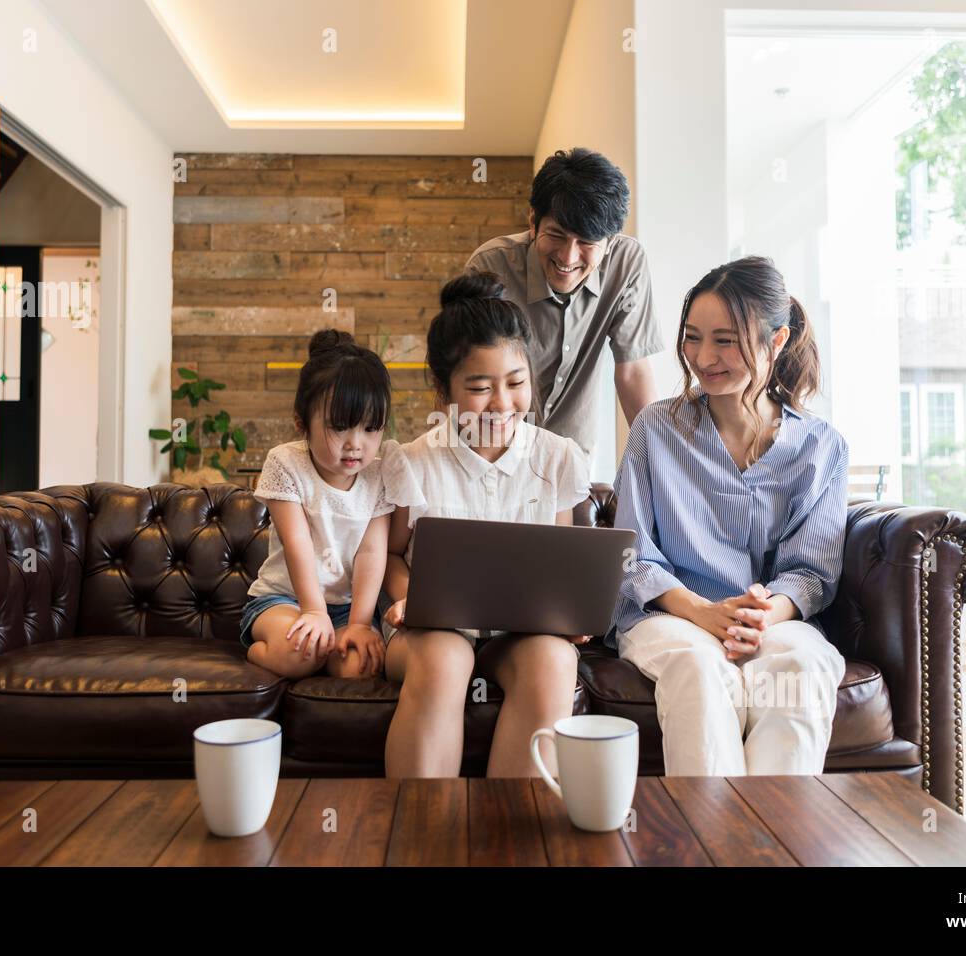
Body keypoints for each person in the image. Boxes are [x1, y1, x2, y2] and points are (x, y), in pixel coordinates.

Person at [609, 256, 849, 777]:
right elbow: (632, 557)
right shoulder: (655, 430)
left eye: (725, 340)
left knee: (804, 666)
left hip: (769, 619)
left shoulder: (820, 446)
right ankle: (709, 844)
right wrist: (701, 612)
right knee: (697, 664)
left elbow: (812, 573)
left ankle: (773, 843)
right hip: (670, 615)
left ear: (777, 341)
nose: (703, 356)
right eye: (693, 338)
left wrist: (760, 616)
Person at [379, 272, 591, 778]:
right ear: (441, 388)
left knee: (553, 662)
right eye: (479, 388)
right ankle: (423, 830)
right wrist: (410, 597)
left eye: (516, 384)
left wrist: (571, 610)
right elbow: (389, 554)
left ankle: (509, 838)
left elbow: (560, 556)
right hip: (431, 631)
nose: (501, 404)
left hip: (520, 634)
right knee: (446, 658)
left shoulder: (558, 458)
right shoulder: (411, 462)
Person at [466, 147, 663, 458]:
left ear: (609, 240)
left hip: (572, 457)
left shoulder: (626, 263)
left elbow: (632, 371)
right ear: (533, 221)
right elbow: (463, 370)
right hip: (495, 451)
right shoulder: (491, 267)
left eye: (586, 242)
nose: (568, 257)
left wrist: (660, 463)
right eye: (556, 235)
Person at [240, 330, 394, 680]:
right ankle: (255, 649)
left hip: (347, 610)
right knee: (300, 654)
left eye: (371, 428)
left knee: (360, 669)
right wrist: (312, 610)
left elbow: (372, 552)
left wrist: (359, 623)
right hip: (286, 601)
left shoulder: (381, 472)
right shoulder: (286, 462)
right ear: (301, 423)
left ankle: (328, 646)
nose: (356, 444)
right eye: (340, 427)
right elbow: (298, 543)